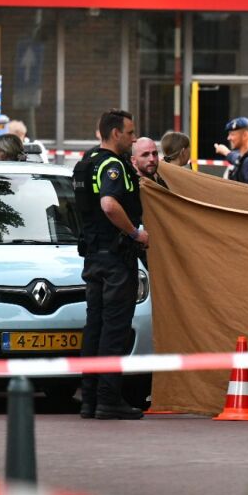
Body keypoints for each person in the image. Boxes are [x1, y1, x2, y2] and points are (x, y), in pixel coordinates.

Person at [74, 109, 148, 421]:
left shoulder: (84, 162)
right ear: (115, 134)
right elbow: (108, 203)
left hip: (93, 257)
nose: (133, 139)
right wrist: (136, 233)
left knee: (95, 328)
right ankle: (108, 399)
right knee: (114, 330)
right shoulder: (112, 165)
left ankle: (89, 400)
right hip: (116, 258)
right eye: (130, 133)